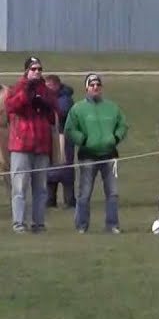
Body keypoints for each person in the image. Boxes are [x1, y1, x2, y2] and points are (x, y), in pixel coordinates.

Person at [64, 74, 128, 234]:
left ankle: (112, 225)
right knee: (84, 193)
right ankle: (81, 226)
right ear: (86, 88)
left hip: (109, 155)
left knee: (112, 193)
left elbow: (123, 125)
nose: (95, 87)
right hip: (88, 156)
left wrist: (116, 138)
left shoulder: (112, 108)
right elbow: (70, 129)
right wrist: (83, 140)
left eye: (98, 85)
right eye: (92, 85)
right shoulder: (78, 109)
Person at [6, 57, 57, 233]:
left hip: (41, 145)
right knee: (19, 187)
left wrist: (46, 105)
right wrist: (26, 94)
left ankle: (39, 223)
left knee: (40, 188)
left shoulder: (46, 90)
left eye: (39, 69)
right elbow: (11, 107)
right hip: (21, 145)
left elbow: (54, 113)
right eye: (33, 69)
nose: (37, 72)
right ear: (26, 71)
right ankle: (19, 223)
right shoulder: (17, 88)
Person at [44, 74, 75, 209]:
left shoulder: (65, 99)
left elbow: (62, 112)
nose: (48, 89)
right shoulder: (47, 98)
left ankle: (69, 199)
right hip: (49, 136)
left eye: (50, 86)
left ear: (57, 85)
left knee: (65, 168)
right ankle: (50, 199)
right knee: (50, 168)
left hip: (63, 136)